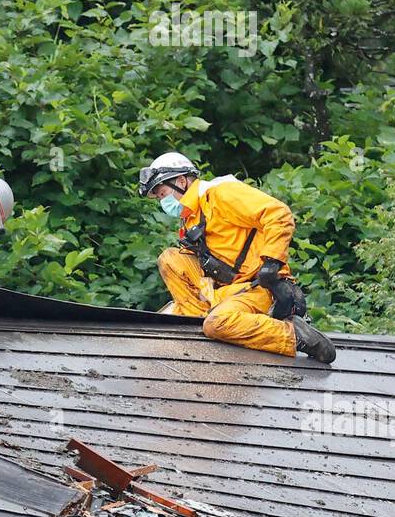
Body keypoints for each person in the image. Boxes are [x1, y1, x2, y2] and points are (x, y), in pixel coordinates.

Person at [137, 151, 337, 363]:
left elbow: (279, 214)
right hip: (227, 289)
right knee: (170, 258)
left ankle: (295, 335)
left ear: (181, 181)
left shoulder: (221, 193)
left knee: (217, 324)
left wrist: (271, 263)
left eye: (162, 193)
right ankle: (197, 319)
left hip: (259, 287)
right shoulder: (191, 216)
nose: (162, 201)